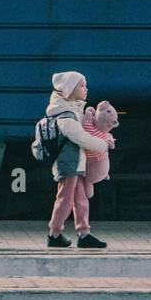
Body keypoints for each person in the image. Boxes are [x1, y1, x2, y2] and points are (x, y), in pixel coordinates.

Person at [45, 71, 110, 248]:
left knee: (80, 199)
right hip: (68, 163)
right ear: (69, 89)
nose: (85, 89)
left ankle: (84, 233)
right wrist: (102, 144)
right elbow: (80, 137)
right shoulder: (65, 116)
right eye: (81, 85)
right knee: (65, 199)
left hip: (77, 162)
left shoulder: (74, 111)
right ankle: (54, 233)